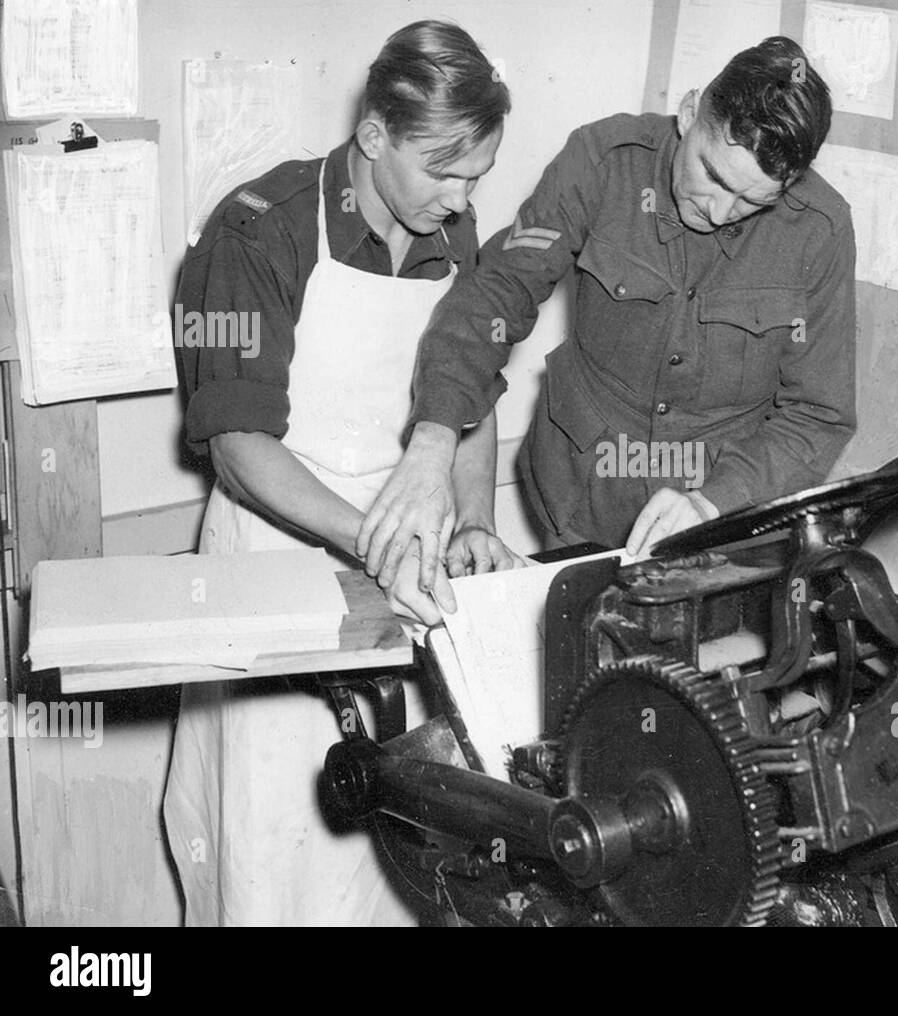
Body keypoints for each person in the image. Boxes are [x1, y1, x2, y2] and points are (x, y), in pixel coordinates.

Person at [164, 20, 517, 926]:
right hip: (278, 558)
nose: (462, 196)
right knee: (269, 849)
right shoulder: (254, 232)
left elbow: (466, 401)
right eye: (443, 169)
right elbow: (240, 449)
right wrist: (374, 542)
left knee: (400, 849)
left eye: (478, 174)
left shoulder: (456, 234)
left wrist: (474, 522)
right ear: (371, 138)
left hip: (407, 573)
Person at [357, 36, 857, 602]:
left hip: (725, 521)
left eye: (753, 201)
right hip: (580, 494)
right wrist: (432, 443)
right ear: (690, 114)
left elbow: (818, 415)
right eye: (714, 176)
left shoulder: (821, 230)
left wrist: (713, 499)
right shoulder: (603, 160)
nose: (719, 212)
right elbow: (496, 294)